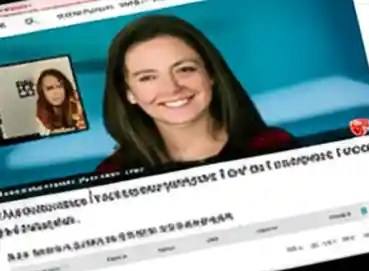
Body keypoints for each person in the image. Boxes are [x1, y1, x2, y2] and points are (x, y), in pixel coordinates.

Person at [95, 14, 296, 173]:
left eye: (185, 69)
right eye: (148, 77)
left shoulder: (273, 145)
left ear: (211, 74)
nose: (172, 88)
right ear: (128, 92)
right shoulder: (114, 172)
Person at [35, 67, 88, 135]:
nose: (56, 92)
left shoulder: (77, 101)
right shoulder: (40, 113)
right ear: (42, 92)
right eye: (49, 88)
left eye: (59, 86)